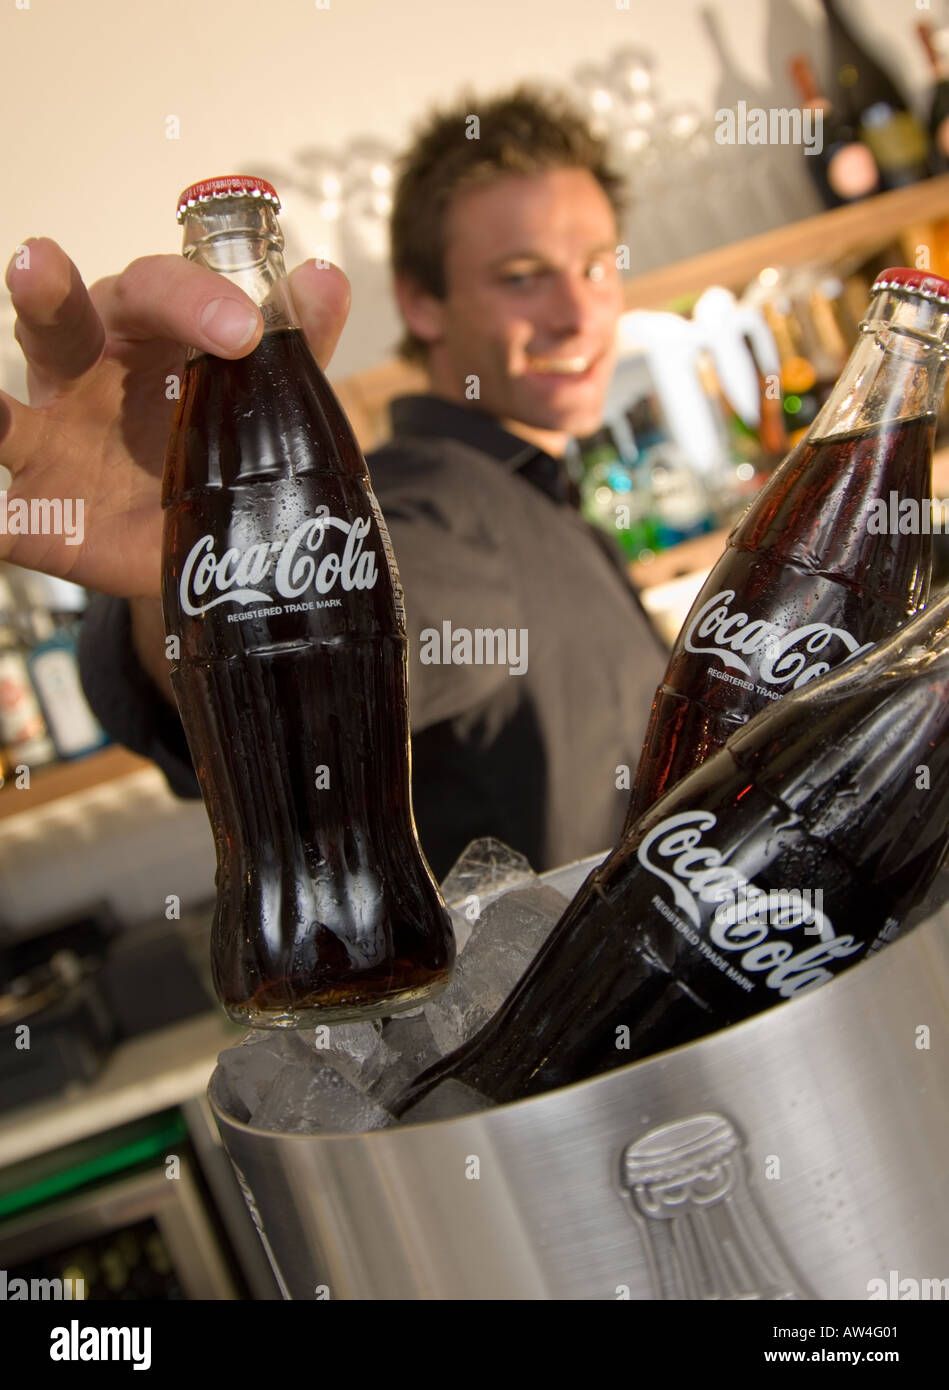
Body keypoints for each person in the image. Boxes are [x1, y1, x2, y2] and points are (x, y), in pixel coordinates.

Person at [0, 84, 667, 879]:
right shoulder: (437, 504)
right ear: (421, 303)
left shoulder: (534, 490)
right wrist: (183, 552)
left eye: (595, 267)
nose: (576, 313)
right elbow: (297, 685)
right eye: (522, 276)